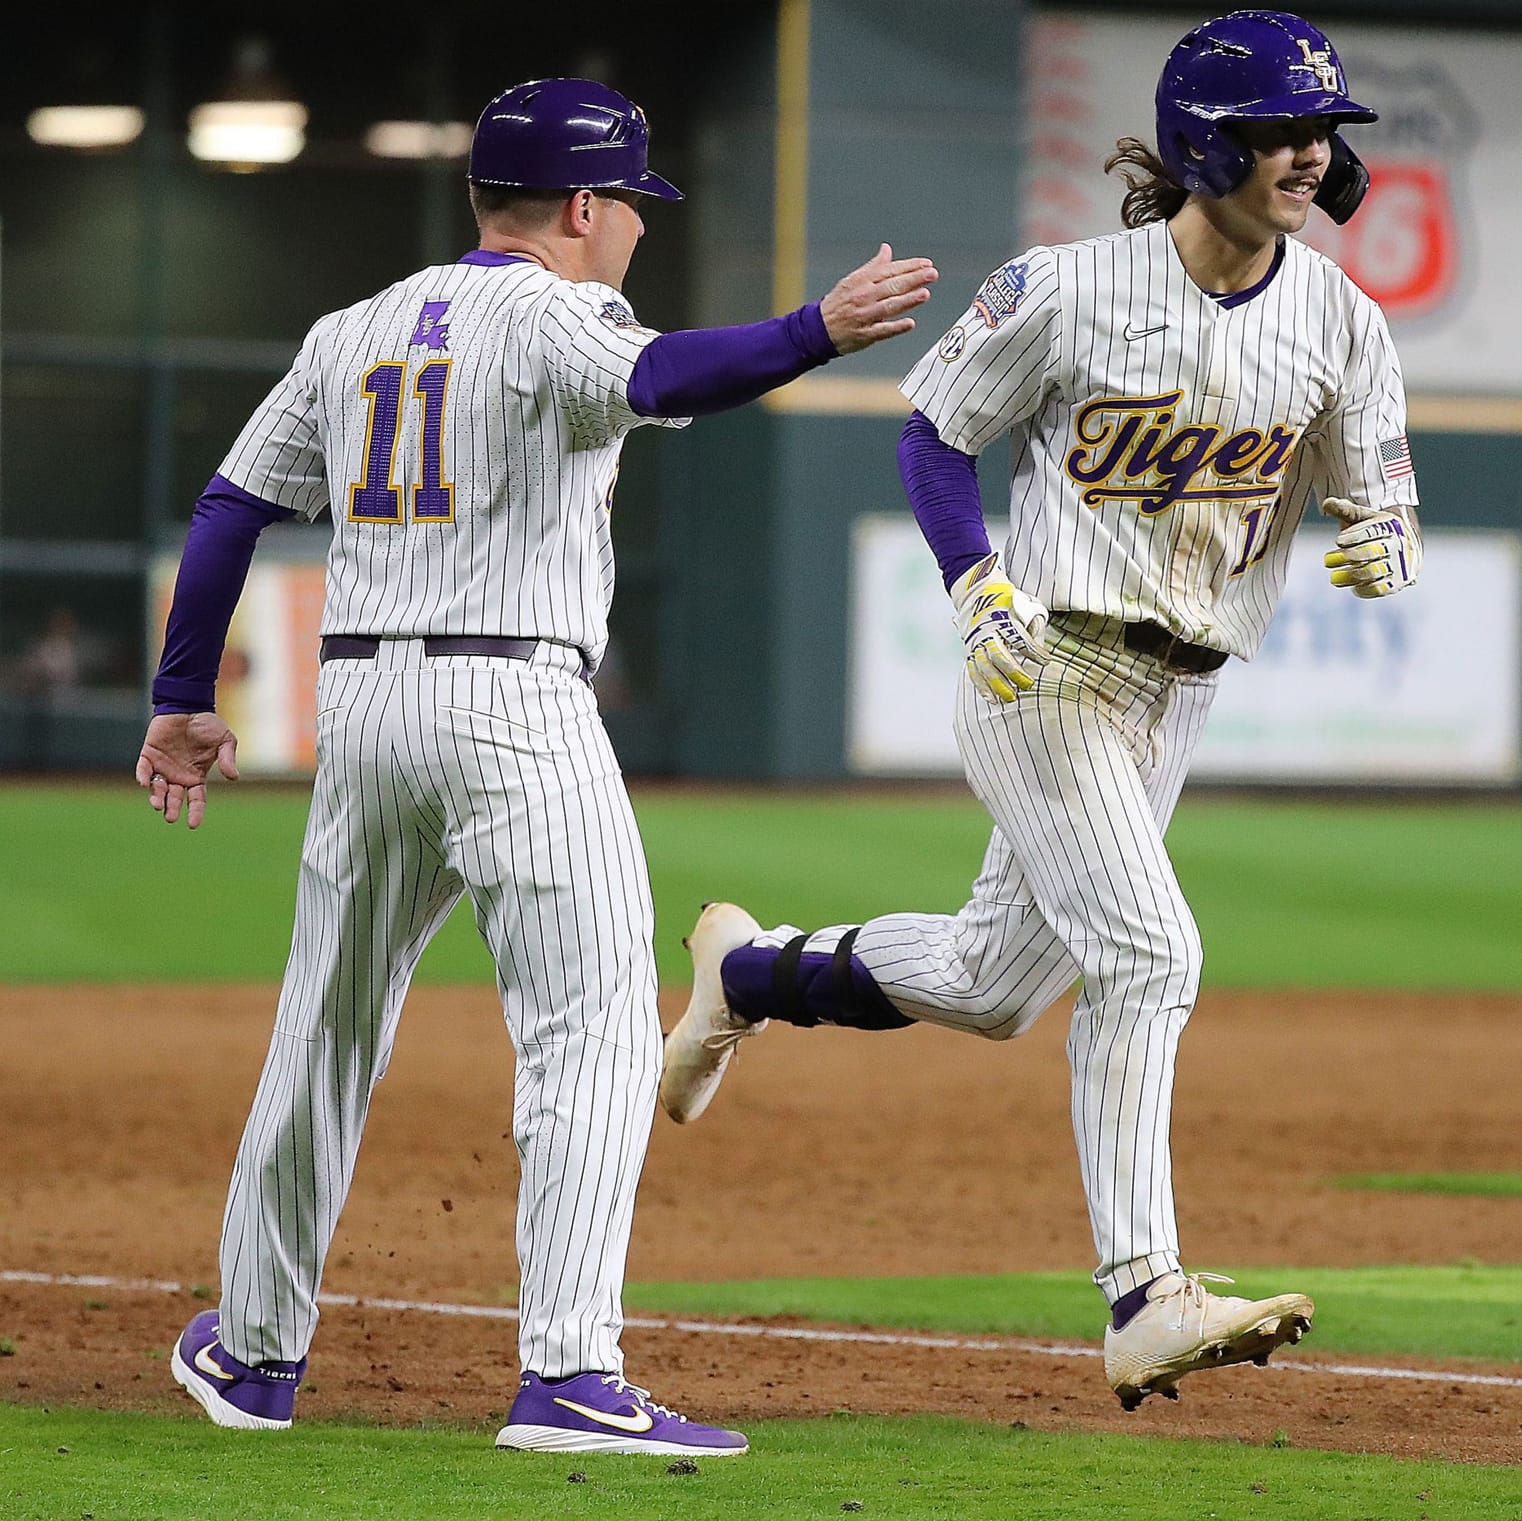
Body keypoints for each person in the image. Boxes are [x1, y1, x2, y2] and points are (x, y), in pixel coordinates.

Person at [141, 77, 936, 1455]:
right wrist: (818, 326)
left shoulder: (357, 326)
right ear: (581, 207)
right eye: (630, 204)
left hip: (365, 708)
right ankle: (570, 1374)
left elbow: (230, 505)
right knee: (593, 1025)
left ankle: (256, 1351)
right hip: (513, 701)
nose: (636, 229)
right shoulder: (559, 309)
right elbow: (663, 374)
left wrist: (178, 693)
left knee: (325, 1029)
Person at [660, 12, 1422, 1411]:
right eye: (1281, 129)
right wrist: (974, 584)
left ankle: (748, 975)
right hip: (1044, 666)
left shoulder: (1344, 322)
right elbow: (934, 428)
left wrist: (1386, 534)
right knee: (1147, 951)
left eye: (1324, 130)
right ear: (1207, 141)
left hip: (1177, 693)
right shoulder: (1069, 288)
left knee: (997, 986)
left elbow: (1379, 487)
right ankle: (1146, 1293)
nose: (1312, 152)